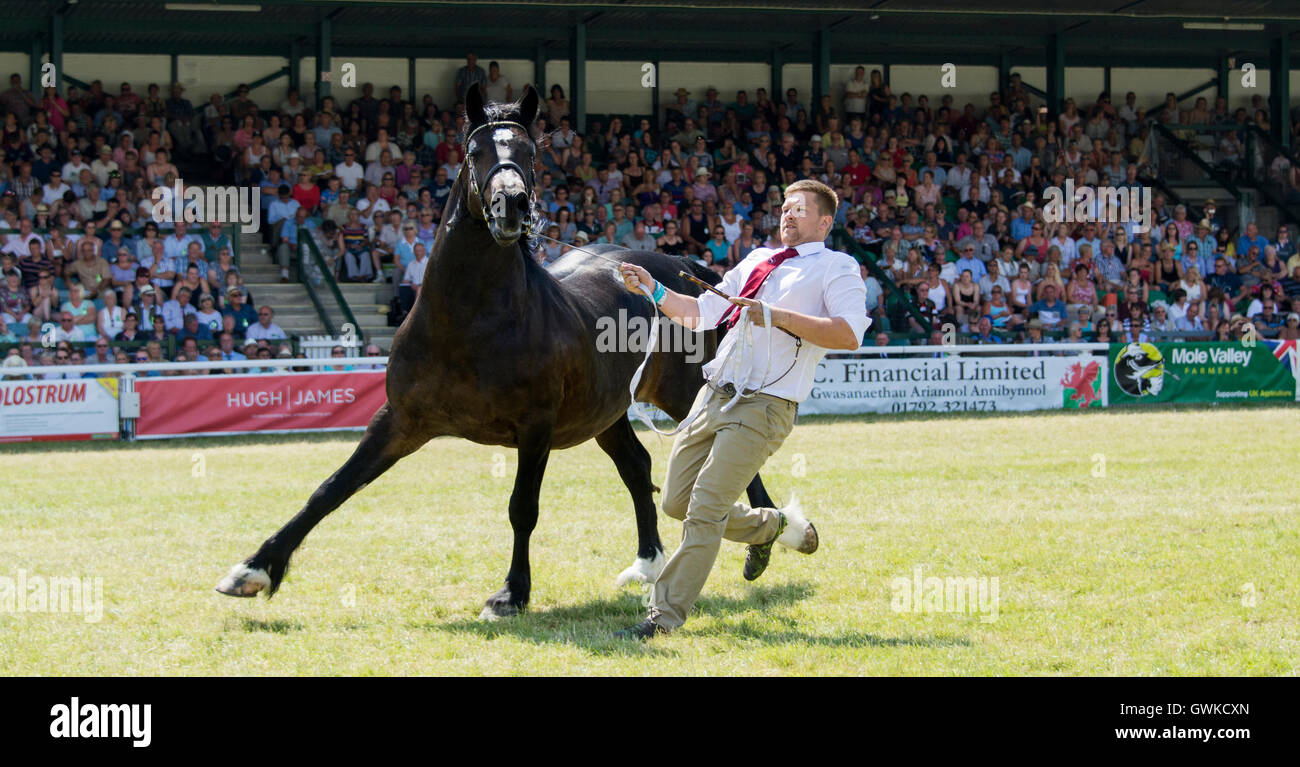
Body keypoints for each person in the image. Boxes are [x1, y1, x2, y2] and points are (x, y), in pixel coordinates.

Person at [614, 179, 869, 639]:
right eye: (785, 207)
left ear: (825, 222)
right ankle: (768, 527)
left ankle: (662, 618)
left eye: (799, 209)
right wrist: (653, 290)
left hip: (766, 405)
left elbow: (850, 335)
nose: (787, 214)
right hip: (714, 394)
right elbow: (699, 314)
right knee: (676, 502)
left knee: (705, 507)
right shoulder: (757, 260)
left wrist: (778, 316)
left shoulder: (838, 267)